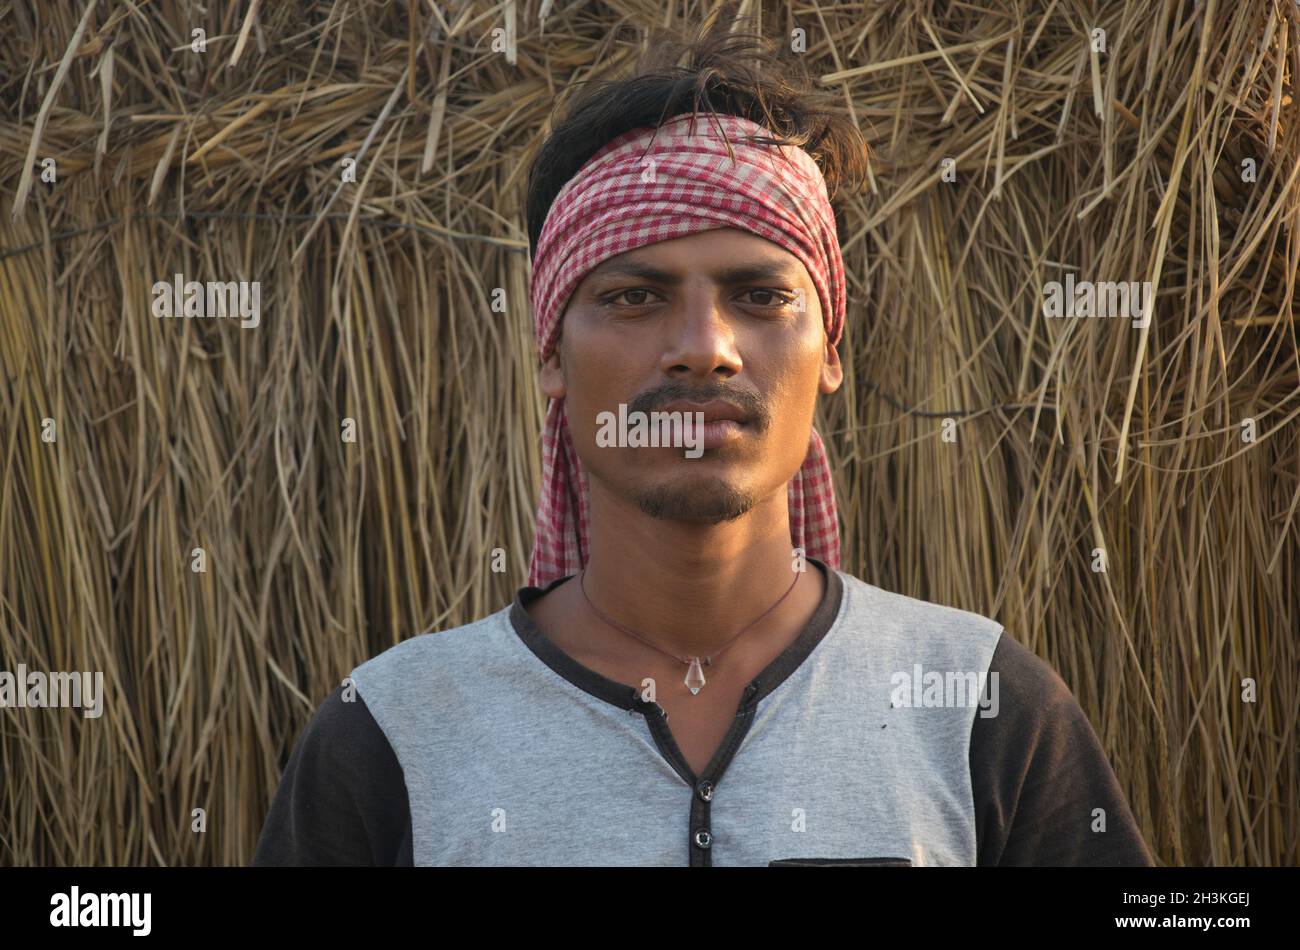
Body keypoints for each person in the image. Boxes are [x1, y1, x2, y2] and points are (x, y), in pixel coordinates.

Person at [253, 24, 1153, 867]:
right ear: (549, 357)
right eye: (634, 297)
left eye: (760, 297)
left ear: (830, 350)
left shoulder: (978, 709)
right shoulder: (393, 735)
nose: (704, 347)